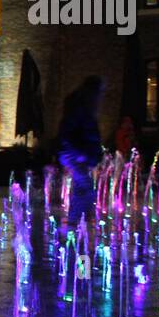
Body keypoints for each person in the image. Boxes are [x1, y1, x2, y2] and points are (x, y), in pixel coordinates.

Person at [57, 75, 105, 229]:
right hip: (74, 154)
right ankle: (74, 223)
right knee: (85, 186)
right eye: (100, 92)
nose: (101, 96)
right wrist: (80, 153)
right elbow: (68, 133)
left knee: (83, 187)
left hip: (78, 154)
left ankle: (84, 221)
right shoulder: (80, 107)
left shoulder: (85, 106)